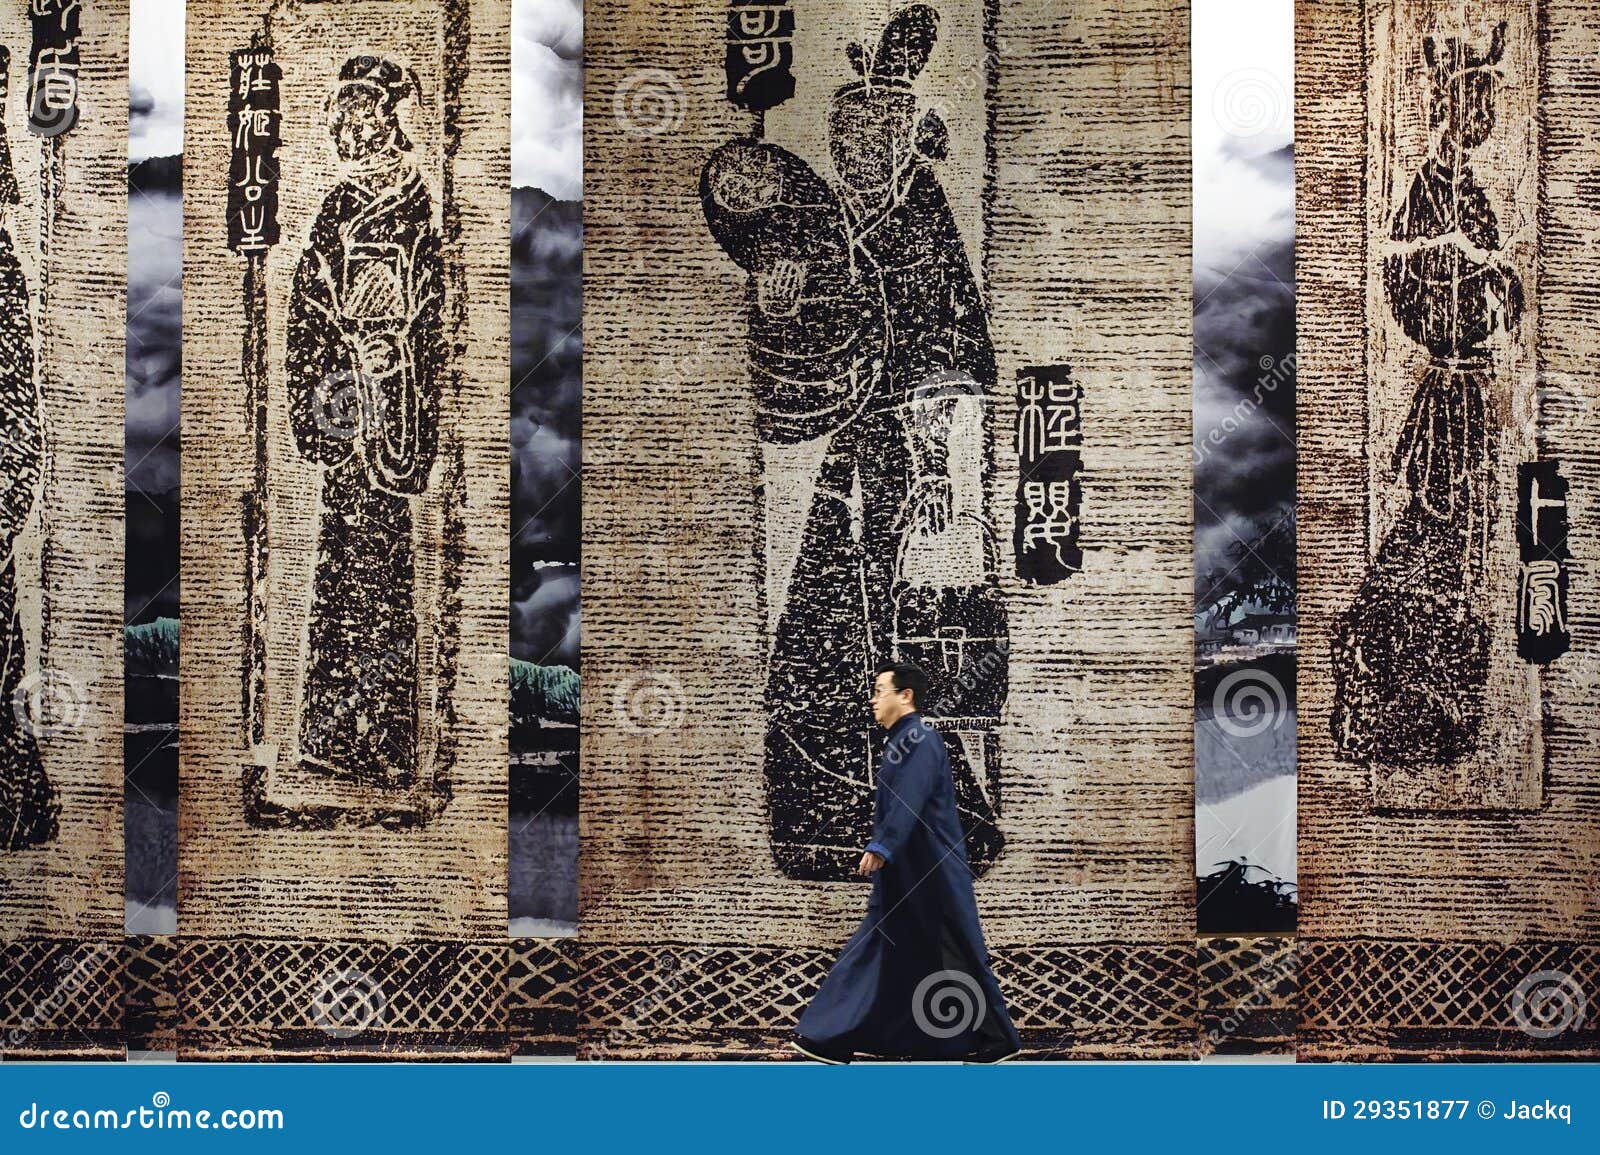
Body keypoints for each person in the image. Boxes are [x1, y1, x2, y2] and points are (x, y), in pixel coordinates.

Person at [286, 55, 444, 787]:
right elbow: (309, 310)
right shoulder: (336, 209)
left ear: (388, 119)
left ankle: (382, 736)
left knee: (384, 574)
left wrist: (400, 343)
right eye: (340, 114)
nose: (347, 128)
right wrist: (341, 354)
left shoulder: (419, 206)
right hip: (350, 409)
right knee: (338, 572)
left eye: (360, 113)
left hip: (395, 410)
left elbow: (441, 313)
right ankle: (329, 731)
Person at [792, 661, 1021, 1063]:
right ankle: (923, 1040)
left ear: (906, 696)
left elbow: (908, 797)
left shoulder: (918, 737)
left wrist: (882, 845)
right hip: (912, 871)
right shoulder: (908, 738)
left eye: (881, 690)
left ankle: (826, 1036)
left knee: (952, 947)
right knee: (915, 952)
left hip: (930, 871)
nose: (874, 699)